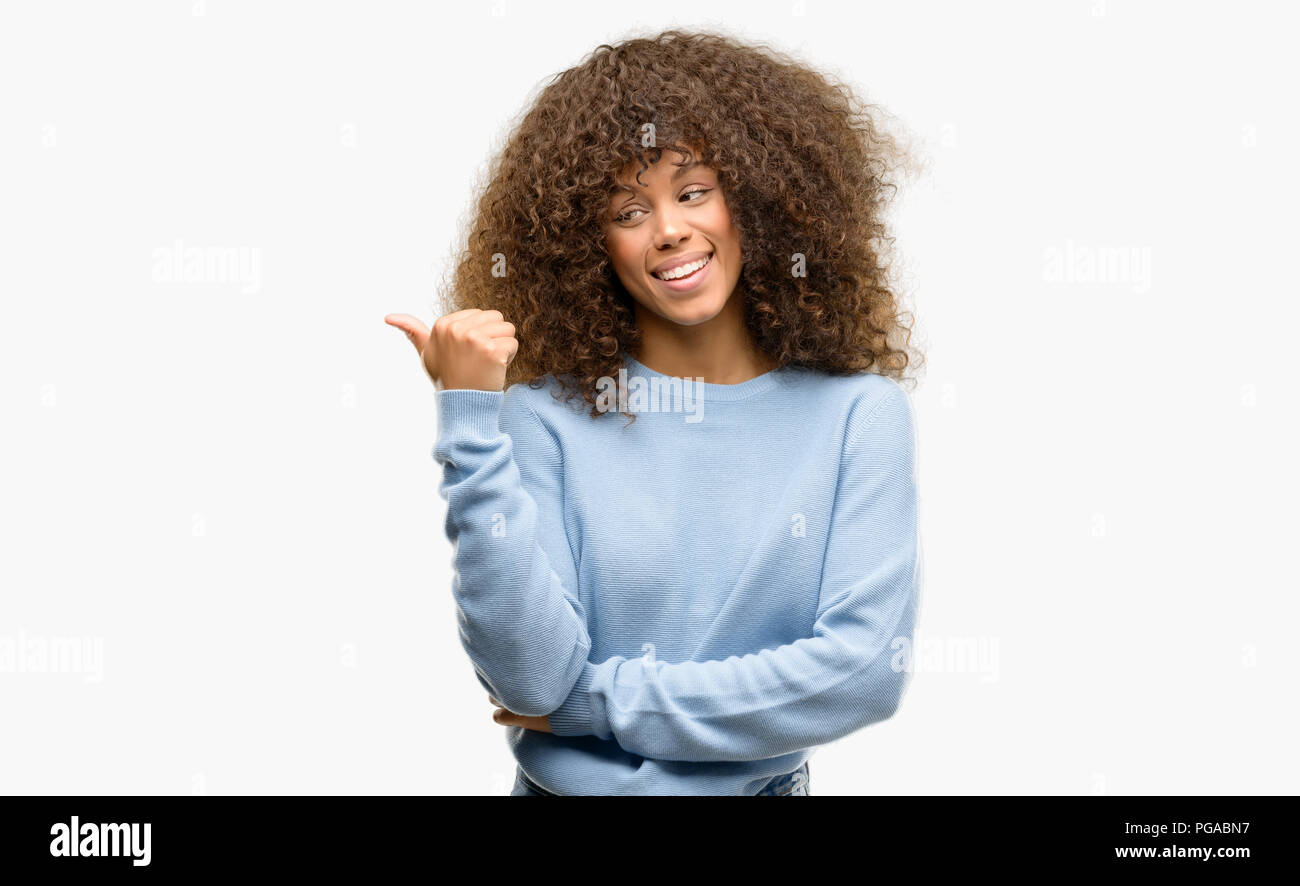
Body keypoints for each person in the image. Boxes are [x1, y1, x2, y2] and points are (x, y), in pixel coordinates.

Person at [385, 28, 924, 796]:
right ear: (587, 243)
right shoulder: (544, 421)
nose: (669, 228)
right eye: (629, 209)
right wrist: (471, 420)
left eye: (693, 191)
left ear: (763, 199)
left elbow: (861, 674)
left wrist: (597, 702)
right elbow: (530, 681)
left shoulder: (857, 418)